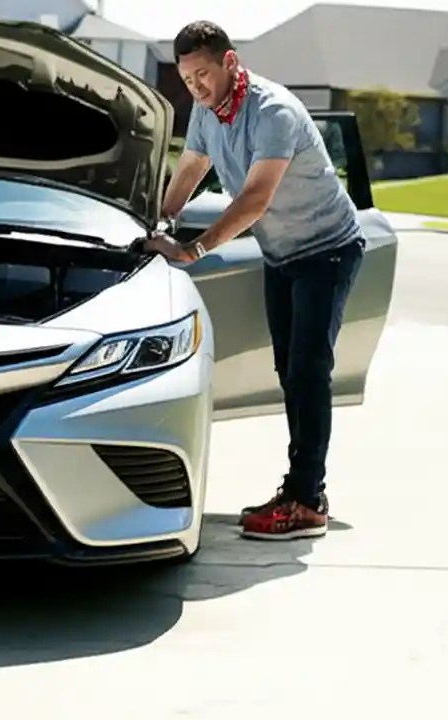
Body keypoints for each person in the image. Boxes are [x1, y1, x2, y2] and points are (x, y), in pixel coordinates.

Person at [144, 20, 366, 541]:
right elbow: (193, 164)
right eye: (187, 78)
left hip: (328, 250)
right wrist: (162, 221)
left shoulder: (273, 112)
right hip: (282, 254)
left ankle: (306, 502)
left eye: (202, 74)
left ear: (230, 63)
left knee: (308, 371)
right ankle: (304, 487)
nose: (195, 87)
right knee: (289, 371)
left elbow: (254, 199)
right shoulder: (205, 110)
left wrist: (195, 248)